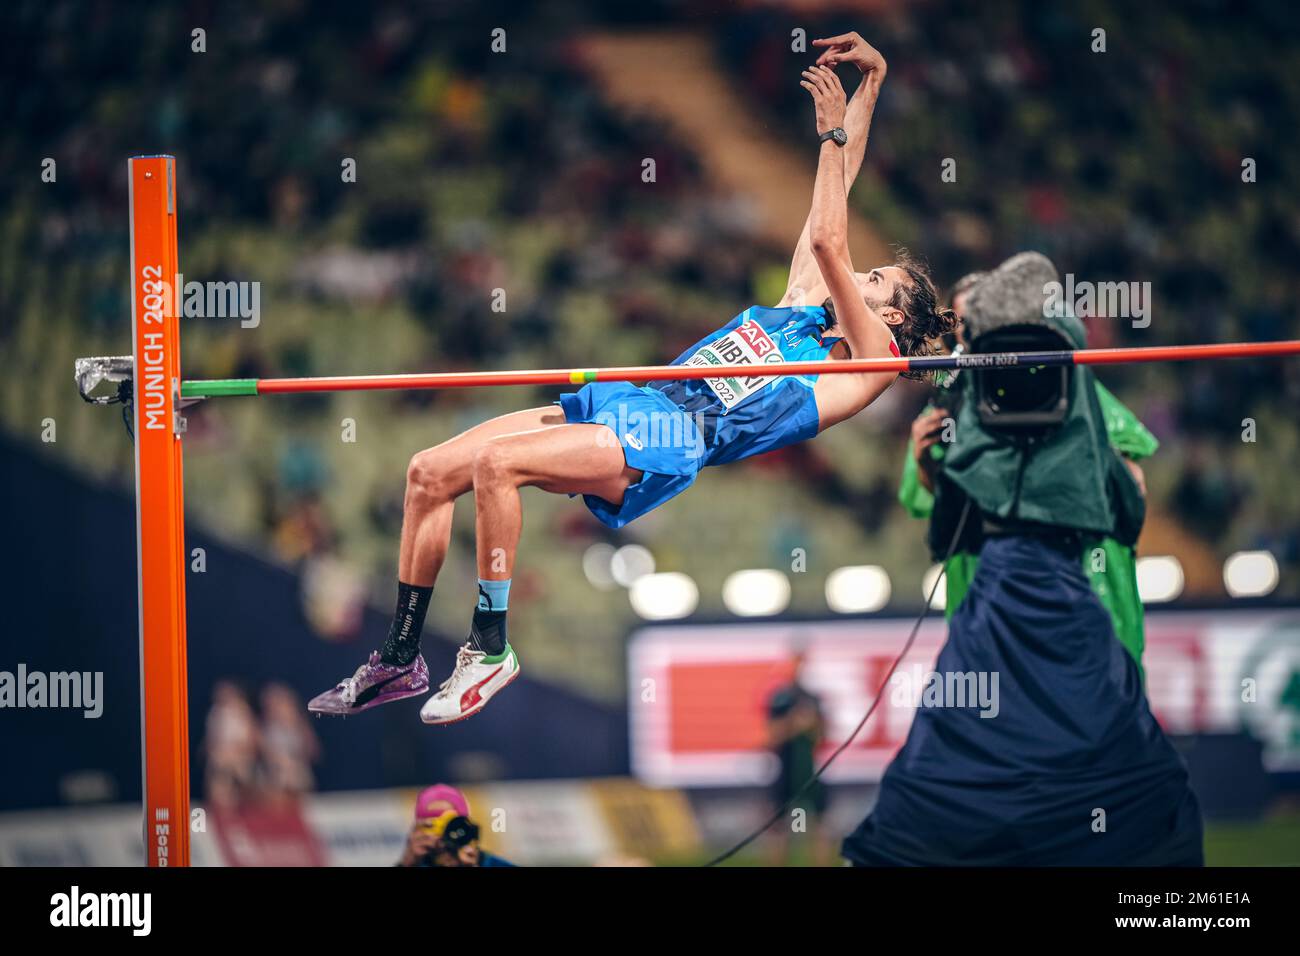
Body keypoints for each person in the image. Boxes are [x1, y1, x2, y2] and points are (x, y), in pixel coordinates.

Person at [308, 31, 956, 724]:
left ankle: (490, 649)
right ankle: (401, 657)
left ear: (891, 315)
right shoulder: (802, 306)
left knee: (499, 465)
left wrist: (827, 134)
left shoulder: (870, 364)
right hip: (638, 401)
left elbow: (830, 234)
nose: (861, 272)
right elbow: (844, 178)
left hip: (672, 436)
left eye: (878, 279)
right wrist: (872, 85)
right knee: (427, 473)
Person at [842, 252, 1203, 866]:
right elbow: (942, 513)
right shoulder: (959, 404)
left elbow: (1129, 493)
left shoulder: (1066, 382)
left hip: (1069, 610)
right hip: (1010, 611)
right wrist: (939, 465)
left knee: (981, 780)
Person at [900, 273, 1160, 668]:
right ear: (955, 334)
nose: (979, 332)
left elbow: (1131, 483)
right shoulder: (946, 404)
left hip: (1080, 575)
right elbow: (941, 506)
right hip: (989, 576)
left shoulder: (1064, 380)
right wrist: (926, 462)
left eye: (991, 319)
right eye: (969, 323)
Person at [765, 647, 831, 866]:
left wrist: (812, 725)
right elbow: (772, 737)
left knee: (817, 825)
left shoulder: (813, 698)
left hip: (809, 771)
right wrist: (795, 724)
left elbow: (822, 737)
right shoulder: (780, 698)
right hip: (786, 770)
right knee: (780, 829)